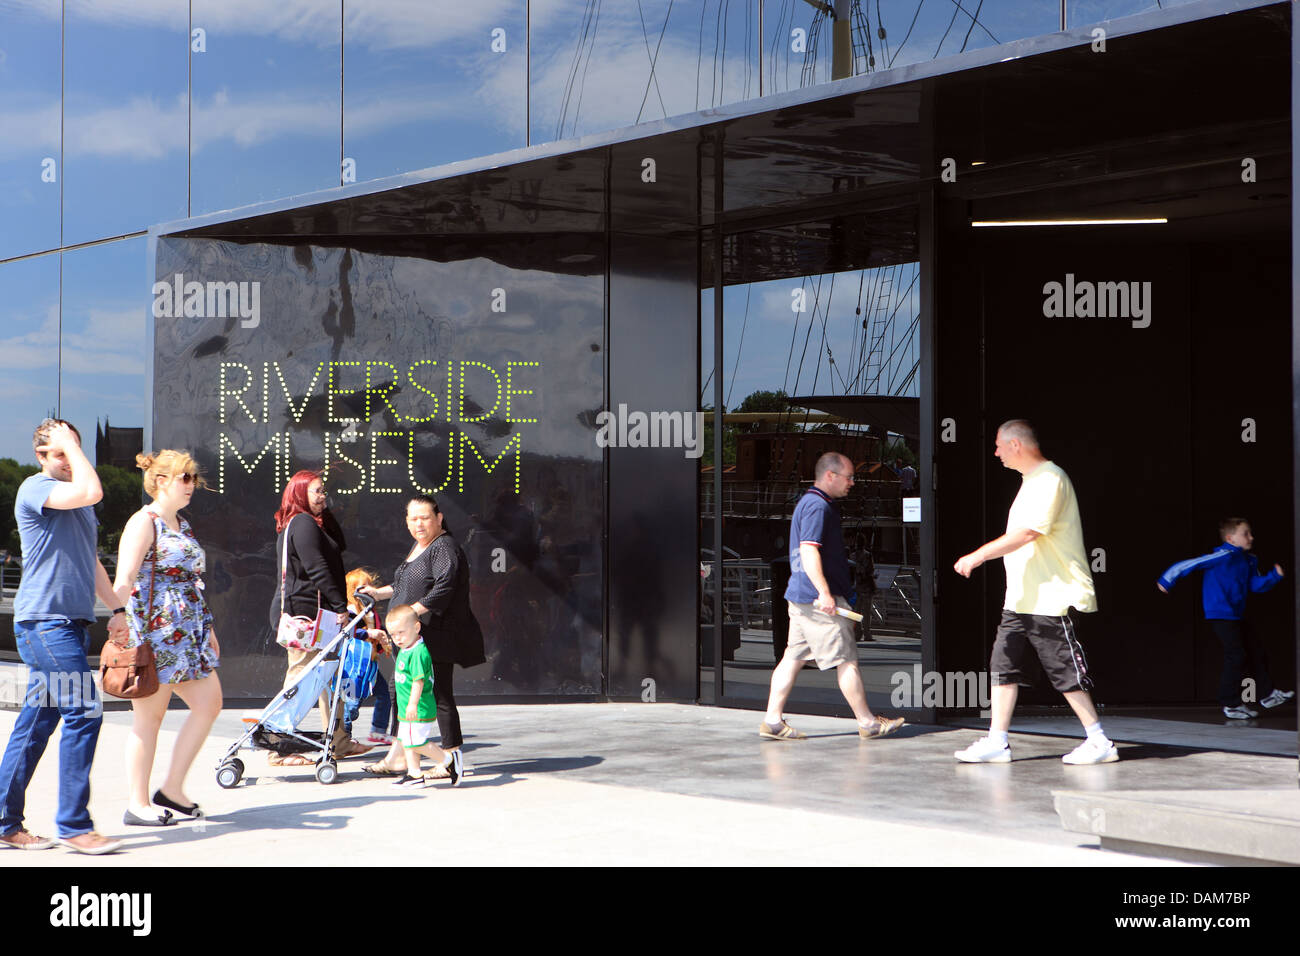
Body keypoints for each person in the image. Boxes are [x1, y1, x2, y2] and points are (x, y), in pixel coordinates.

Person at [953, 419, 1114, 764]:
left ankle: (1099, 740)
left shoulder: (1051, 479)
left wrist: (978, 555)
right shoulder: (1030, 482)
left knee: (1064, 671)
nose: (994, 452)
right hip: (1021, 598)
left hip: (1049, 597)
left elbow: (1029, 533)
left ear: (1016, 445)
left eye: (998, 445)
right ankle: (998, 740)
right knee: (1002, 665)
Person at [0, 420, 125, 854]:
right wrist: (73, 447)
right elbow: (92, 490)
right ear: (41, 456)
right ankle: (74, 825)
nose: (68, 461)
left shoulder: (78, 501)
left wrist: (119, 609)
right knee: (85, 711)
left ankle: (3, 822)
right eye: (59, 453)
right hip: (45, 625)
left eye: (71, 451)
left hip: (67, 624)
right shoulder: (36, 489)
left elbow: (91, 564)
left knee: (35, 724)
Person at [759, 452, 905, 741]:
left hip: (801, 597)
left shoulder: (808, 503)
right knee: (847, 660)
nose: (853, 483)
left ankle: (772, 721)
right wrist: (826, 594)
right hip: (819, 601)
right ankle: (868, 723)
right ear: (830, 475)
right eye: (849, 477)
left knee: (792, 657)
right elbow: (809, 549)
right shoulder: (818, 507)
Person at [112, 451, 222, 826]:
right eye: (184, 478)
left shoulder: (182, 525)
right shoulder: (144, 522)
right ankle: (138, 802)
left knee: (210, 704)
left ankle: (172, 789)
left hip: (188, 634)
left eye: (192, 477)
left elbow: (191, 583)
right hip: (155, 635)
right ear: (161, 481)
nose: (191, 485)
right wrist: (119, 619)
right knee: (149, 719)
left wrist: (208, 630)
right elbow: (125, 579)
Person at [359, 495, 485, 779]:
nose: (419, 523)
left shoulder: (444, 547)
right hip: (414, 637)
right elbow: (407, 583)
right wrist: (380, 593)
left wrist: (411, 614)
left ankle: (452, 757)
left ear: (439, 519)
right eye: (413, 518)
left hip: (436, 634)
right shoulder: (421, 547)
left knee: (440, 695)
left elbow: (444, 587)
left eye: (425, 517)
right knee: (399, 690)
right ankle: (397, 756)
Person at [267, 470, 369, 765]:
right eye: (317, 492)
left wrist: (325, 512)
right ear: (300, 494)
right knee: (299, 679)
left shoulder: (305, 523)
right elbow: (317, 568)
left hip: (314, 612)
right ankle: (277, 744)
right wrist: (341, 605)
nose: (323, 496)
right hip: (305, 614)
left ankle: (338, 742)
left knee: (328, 677)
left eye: (324, 491)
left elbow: (339, 543)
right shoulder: (301, 523)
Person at [1157, 518, 1295, 719]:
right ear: (1230, 538)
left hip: (1236, 615)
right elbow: (1191, 564)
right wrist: (1167, 580)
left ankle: (1267, 695)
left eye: (1250, 533)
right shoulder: (1223, 555)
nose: (1251, 537)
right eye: (1245, 533)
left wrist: (1274, 576)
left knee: (1256, 651)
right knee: (1236, 655)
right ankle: (1231, 703)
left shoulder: (1249, 560)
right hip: (1220, 614)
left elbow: (1255, 586)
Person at [384, 605, 460, 787]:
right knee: (408, 742)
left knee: (416, 742)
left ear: (416, 628)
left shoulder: (418, 652)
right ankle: (415, 774)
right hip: (407, 708)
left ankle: (448, 759)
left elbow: (418, 682)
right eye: (393, 635)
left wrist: (412, 704)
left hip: (418, 708)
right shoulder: (406, 648)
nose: (397, 639)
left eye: (401, 632)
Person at [345, 567, 396, 746]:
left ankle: (379, 731)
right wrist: (369, 634)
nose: (368, 589)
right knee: (351, 703)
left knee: (385, 694)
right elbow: (349, 633)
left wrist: (382, 644)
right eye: (362, 587)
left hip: (371, 664)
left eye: (370, 585)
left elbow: (378, 634)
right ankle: (343, 736)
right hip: (353, 666)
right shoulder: (351, 612)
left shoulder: (370, 612)